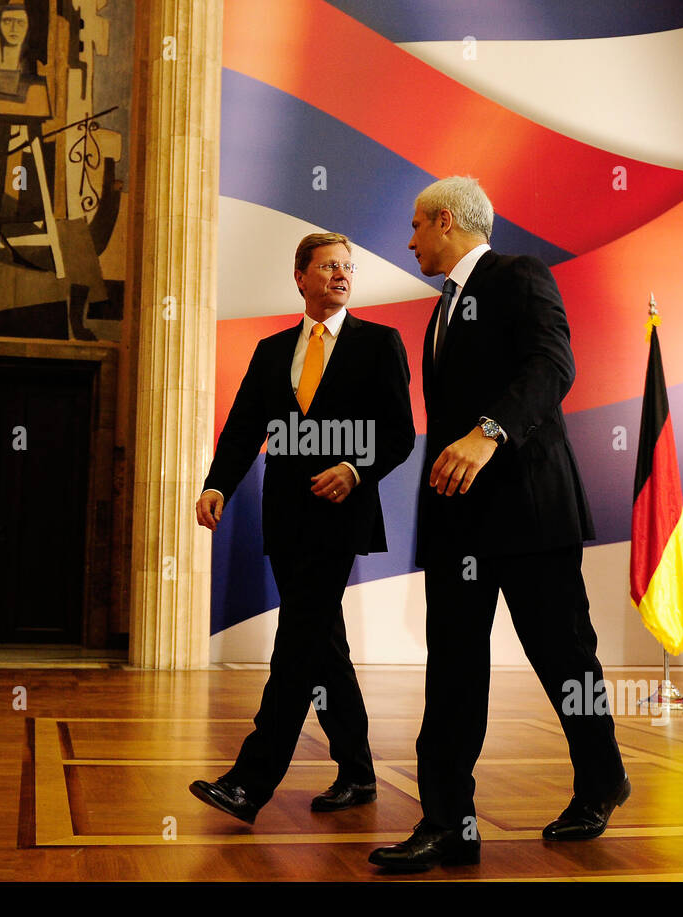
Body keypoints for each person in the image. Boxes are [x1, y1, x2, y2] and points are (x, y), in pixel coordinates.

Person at [369, 177, 629, 873]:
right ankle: (448, 821)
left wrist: (490, 431)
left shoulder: (520, 275)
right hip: (459, 523)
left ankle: (602, 778)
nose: (411, 239)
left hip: (530, 511)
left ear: (446, 221)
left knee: (563, 657)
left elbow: (554, 365)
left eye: (417, 226)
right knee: (452, 669)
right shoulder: (439, 313)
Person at [189, 232, 415, 824]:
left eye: (348, 267)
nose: (341, 274)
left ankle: (250, 781)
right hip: (284, 517)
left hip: (342, 518)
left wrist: (354, 467)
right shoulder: (271, 350)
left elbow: (398, 432)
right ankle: (360, 772)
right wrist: (217, 484)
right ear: (301, 277)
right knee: (323, 644)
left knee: (295, 644)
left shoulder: (379, 343)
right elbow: (242, 430)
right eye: (328, 266)